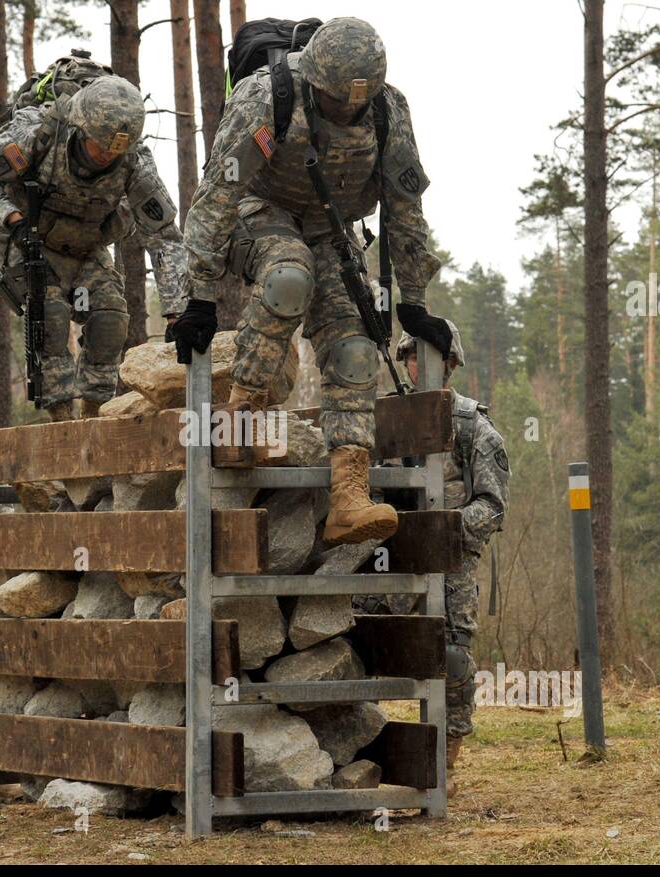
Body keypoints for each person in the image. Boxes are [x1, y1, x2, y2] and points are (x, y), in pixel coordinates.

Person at [168, 16, 449, 544]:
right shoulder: (265, 97)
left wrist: (413, 301)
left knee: (358, 348)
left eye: (353, 103)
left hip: (332, 226)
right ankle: (243, 416)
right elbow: (218, 195)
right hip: (261, 208)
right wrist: (197, 297)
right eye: (334, 100)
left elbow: (406, 208)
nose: (345, 109)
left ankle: (349, 493)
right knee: (288, 277)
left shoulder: (390, 111)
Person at [0, 73, 187, 419]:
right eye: (100, 145)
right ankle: (61, 422)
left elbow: (163, 236)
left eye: (115, 149)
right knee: (51, 320)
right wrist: (13, 220)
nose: (106, 156)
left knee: (111, 320)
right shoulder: (38, 133)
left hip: (87, 246)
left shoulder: (134, 160)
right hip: (34, 244)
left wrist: (178, 310)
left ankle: (95, 417)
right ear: (80, 128)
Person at [397, 320, 509, 775]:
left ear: (451, 364)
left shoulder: (471, 426)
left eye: (426, 357)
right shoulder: (388, 419)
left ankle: (443, 767)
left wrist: (446, 528)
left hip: (452, 560)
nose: (415, 365)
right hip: (390, 553)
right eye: (409, 356)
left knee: (452, 660)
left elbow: (492, 506)